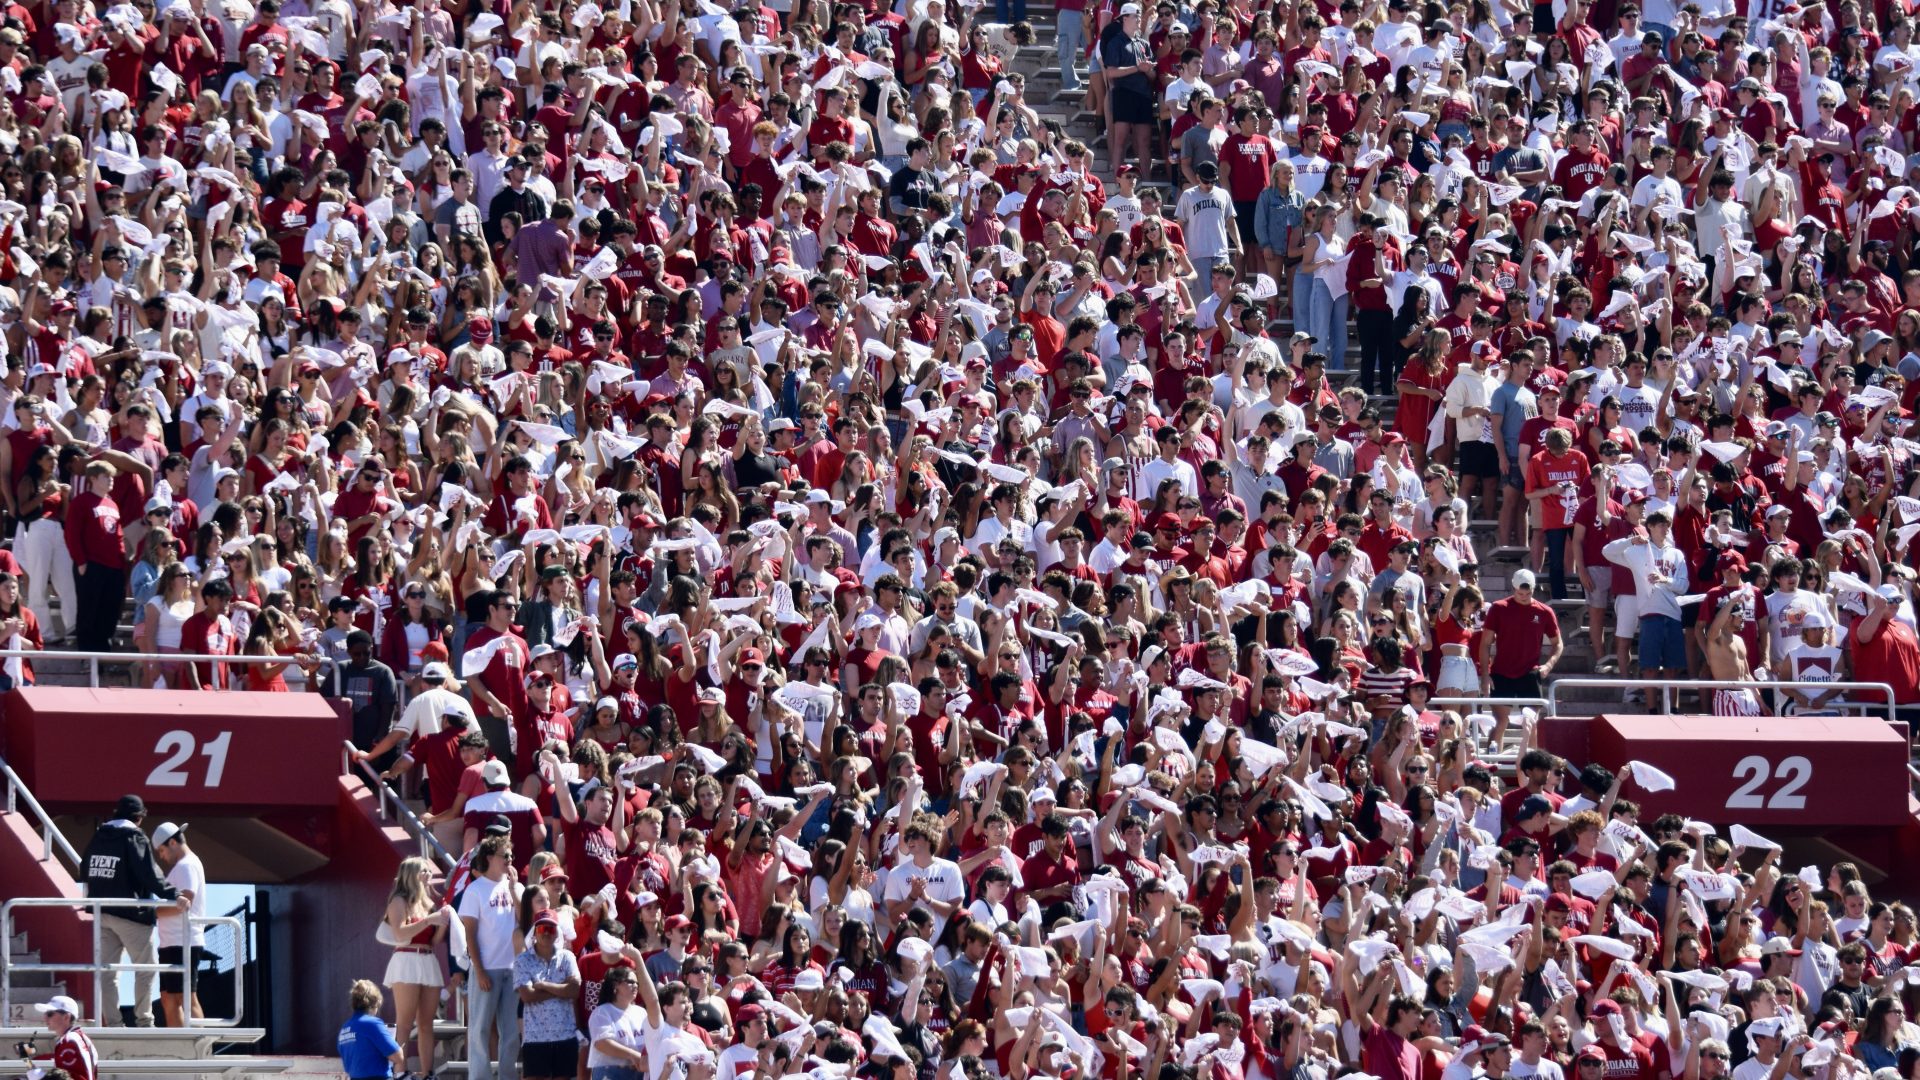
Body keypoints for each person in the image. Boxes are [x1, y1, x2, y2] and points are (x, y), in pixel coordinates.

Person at [81, 794, 178, 1028]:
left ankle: (113, 1024)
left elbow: (85, 869)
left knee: (106, 972)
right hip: (132, 915)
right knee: (146, 969)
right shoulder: (134, 836)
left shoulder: (98, 836)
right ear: (139, 818)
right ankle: (144, 1021)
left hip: (102, 913)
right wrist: (173, 894)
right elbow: (148, 873)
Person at [457, 835, 522, 1080]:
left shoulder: (515, 885)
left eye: (510, 855)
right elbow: (470, 934)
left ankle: (507, 1076)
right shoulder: (474, 890)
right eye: (505, 855)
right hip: (487, 968)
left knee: (511, 1033)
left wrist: (515, 889)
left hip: (512, 969)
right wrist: (480, 970)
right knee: (480, 1029)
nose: (510, 860)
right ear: (489, 858)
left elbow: (524, 921)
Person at [381, 857, 448, 1077]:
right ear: (412, 874)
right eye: (424, 871)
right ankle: (399, 1071)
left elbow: (434, 941)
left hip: (428, 959)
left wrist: (442, 923)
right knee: (405, 1022)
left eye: (429, 871)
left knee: (427, 1023)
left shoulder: (429, 903)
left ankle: (426, 1072)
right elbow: (400, 933)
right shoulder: (398, 901)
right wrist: (429, 921)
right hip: (406, 960)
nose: (429, 875)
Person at [512, 909, 581, 1080]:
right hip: (535, 1037)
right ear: (535, 932)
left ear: (557, 933)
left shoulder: (567, 957)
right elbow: (527, 996)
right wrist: (561, 990)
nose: (547, 933)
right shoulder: (522, 960)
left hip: (565, 1035)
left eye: (551, 929)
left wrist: (543, 986)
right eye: (542, 928)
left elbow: (574, 991)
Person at [151, 821, 206, 1028]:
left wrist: (150, 911)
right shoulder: (185, 865)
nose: (161, 857)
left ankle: (199, 1050)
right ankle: (181, 1047)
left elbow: (186, 900)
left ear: (172, 842)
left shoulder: (186, 865)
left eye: (162, 851)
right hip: (173, 943)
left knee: (186, 998)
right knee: (168, 998)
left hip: (183, 941)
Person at [337, 980, 406, 1080]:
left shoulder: (344, 1029)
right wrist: (399, 1049)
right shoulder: (373, 1023)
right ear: (375, 1003)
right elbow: (398, 1057)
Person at [27, 995, 95, 1080]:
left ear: (66, 1017)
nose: (45, 1018)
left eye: (50, 1014)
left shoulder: (69, 1040)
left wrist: (41, 1077)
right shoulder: (77, 1038)